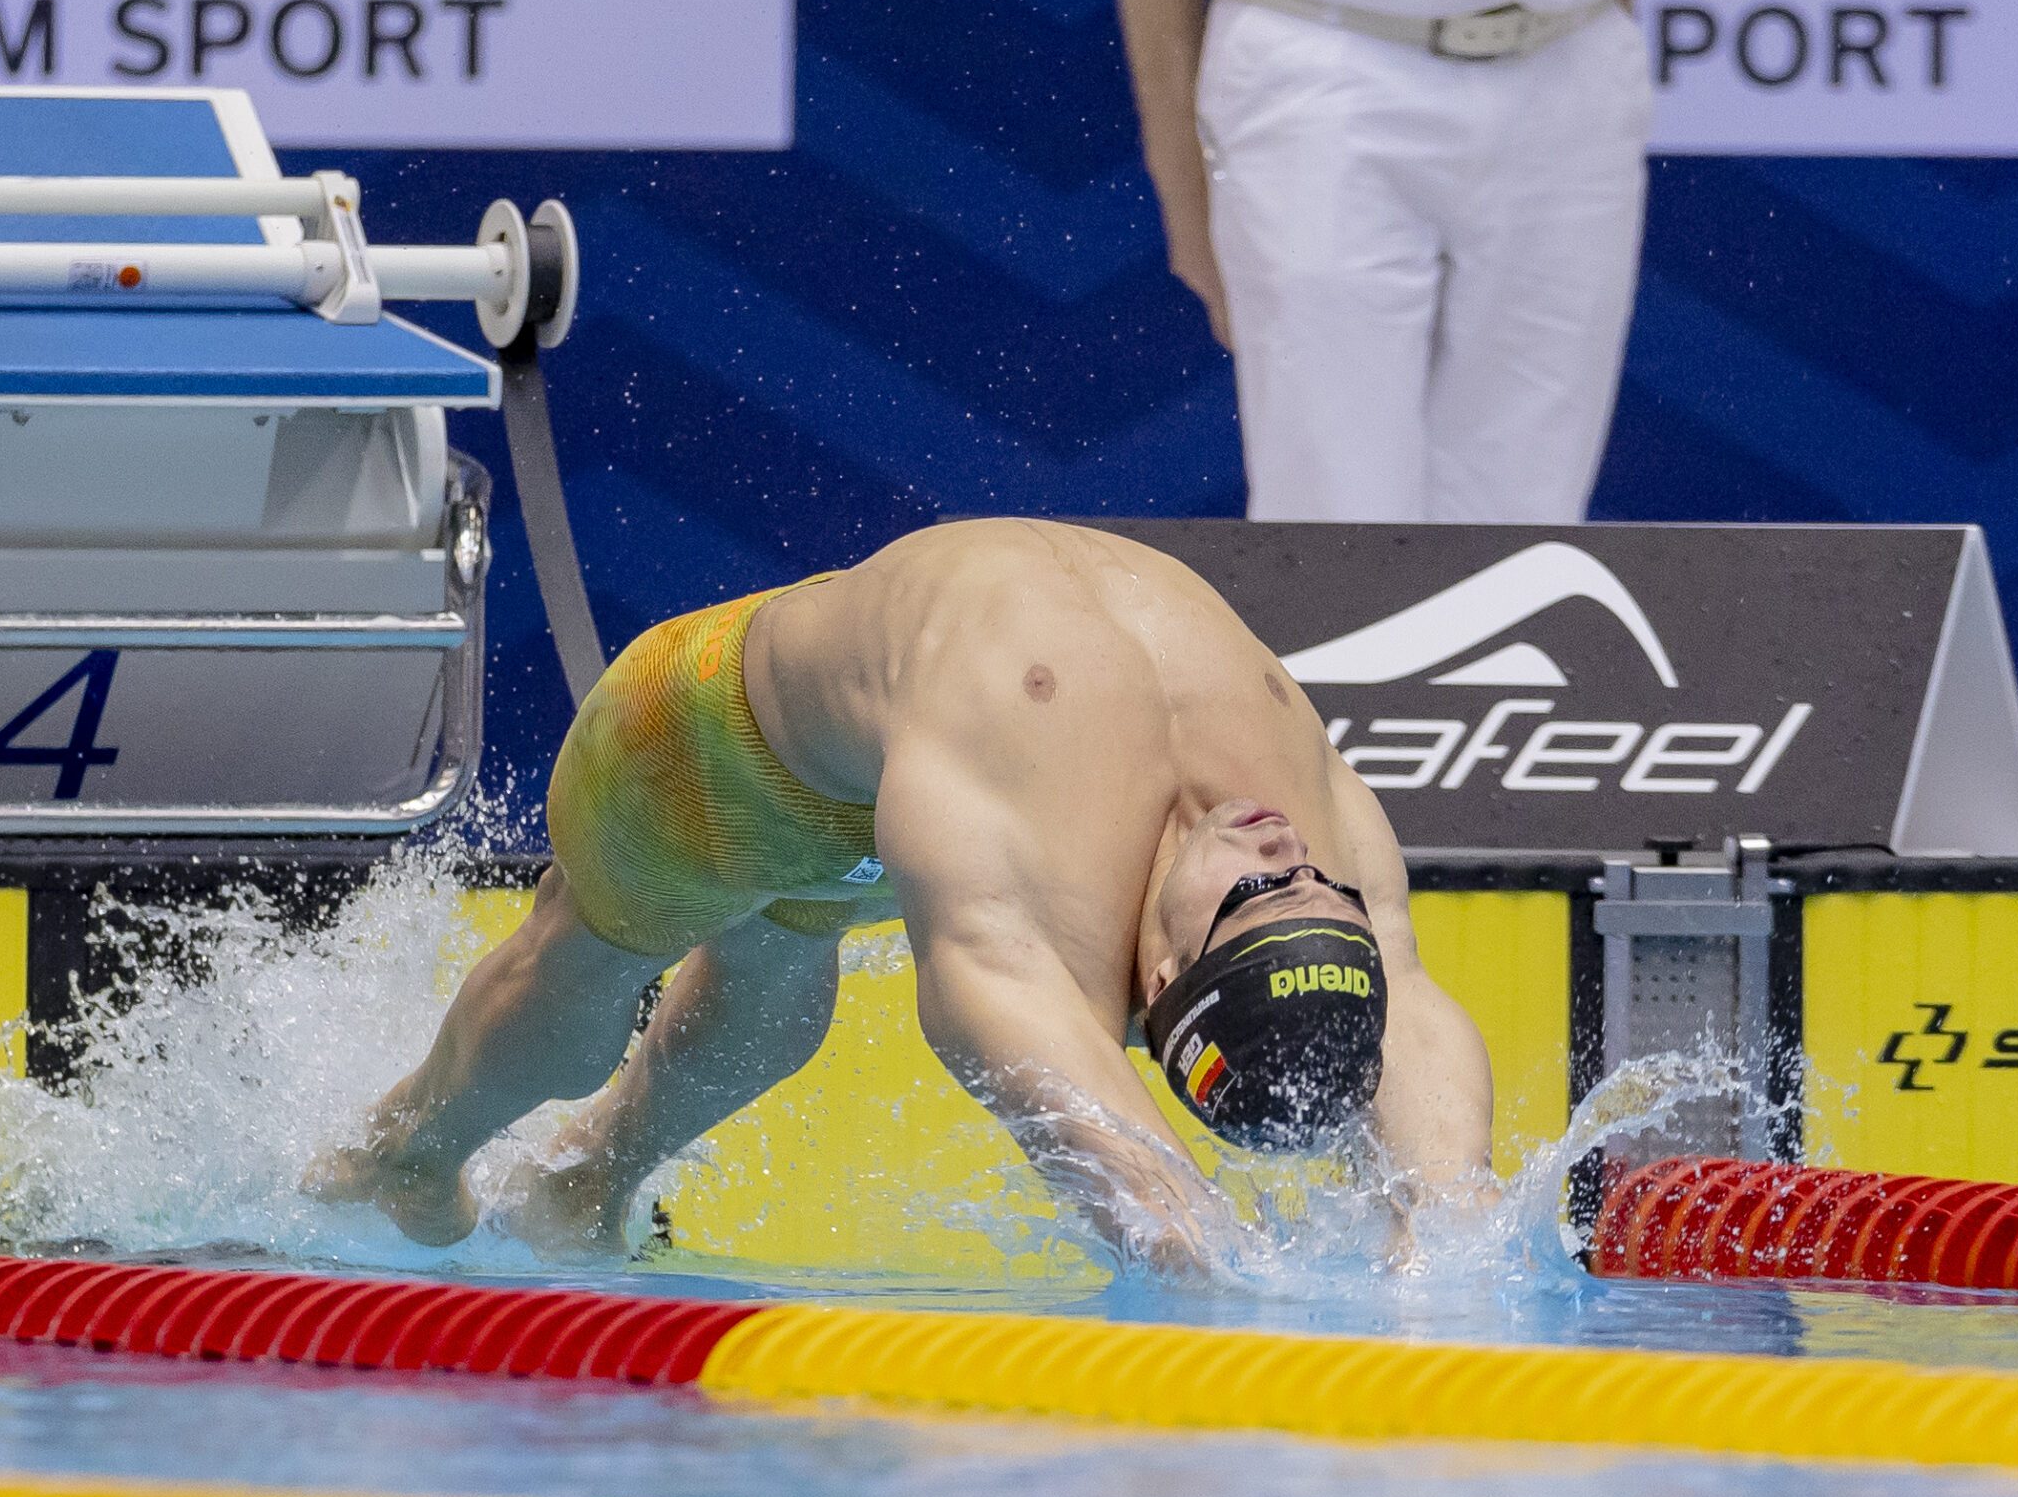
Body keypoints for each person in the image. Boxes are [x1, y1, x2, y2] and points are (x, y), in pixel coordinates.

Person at [308, 519, 1492, 1274]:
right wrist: (1192, 1245)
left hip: (914, 764)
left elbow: (1407, 997)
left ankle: (586, 1184)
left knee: (778, 973)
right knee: (594, 958)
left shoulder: (1121, 863)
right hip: (712, 747)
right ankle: (405, 1147)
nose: (1278, 839)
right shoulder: (1072, 856)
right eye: (1306, 881)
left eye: (1264, 892)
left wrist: (1437, 1228)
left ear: (1168, 972)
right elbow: (1027, 1060)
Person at [1115, 0, 1650, 522]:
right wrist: (1181, 180)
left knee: (1529, 520)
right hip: (1319, 56)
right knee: (1331, 517)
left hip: (1573, 60)